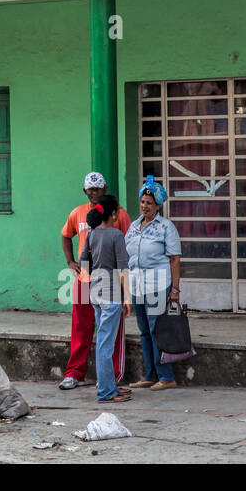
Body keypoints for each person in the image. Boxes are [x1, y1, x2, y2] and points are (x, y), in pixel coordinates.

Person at [59, 170, 132, 390]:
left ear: (105, 189)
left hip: (110, 281)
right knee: (81, 326)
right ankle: (75, 373)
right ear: (84, 191)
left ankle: (112, 375)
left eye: (97, 189)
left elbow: (126, 245)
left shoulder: (119, 214)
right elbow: (65, 235)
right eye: (90, 189)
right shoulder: (78, 213)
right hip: (84, 279)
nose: (93, 193)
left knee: (110, 330)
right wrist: (71, 263)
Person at [125, 176, 183, 391]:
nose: (144, 206)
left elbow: (175, 259)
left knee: (157, 329)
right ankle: (150, 374)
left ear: (158, 205)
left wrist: (175, 289)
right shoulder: (133, 226)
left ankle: (166, 377)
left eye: (149, 203)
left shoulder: (166, 227)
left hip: (158, 285)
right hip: (137, 285)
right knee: (144, 331)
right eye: (142, 202)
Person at [79, 194, 132, 404]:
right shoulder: (116, 235)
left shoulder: (92, 234)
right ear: (113, 213)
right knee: (105, 344)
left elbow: (84, 261)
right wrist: (127, 298)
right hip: (111, 294)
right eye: (118, 210)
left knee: (103, 342)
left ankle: (109, 387)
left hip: (95, 292)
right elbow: (123, 269)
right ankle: (106, 392)